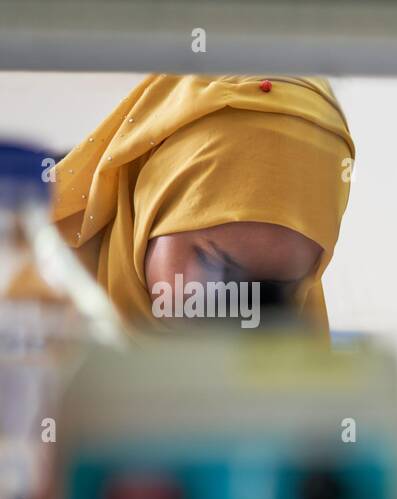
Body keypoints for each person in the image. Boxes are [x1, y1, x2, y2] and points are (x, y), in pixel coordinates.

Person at [50, 74, 354, 333]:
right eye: (215, 263)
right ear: (150, 203)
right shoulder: (34, 315)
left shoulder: (305, 380)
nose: (241, 312)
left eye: (281, 288)